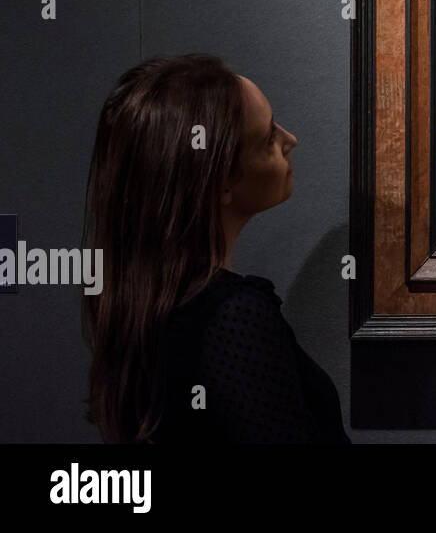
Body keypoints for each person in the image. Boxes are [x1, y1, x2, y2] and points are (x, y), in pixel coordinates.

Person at [81, 54, 349, 443]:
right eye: (268, 138)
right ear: (220, 181)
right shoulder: (232, 319)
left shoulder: (146, 308)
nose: (290, 140)